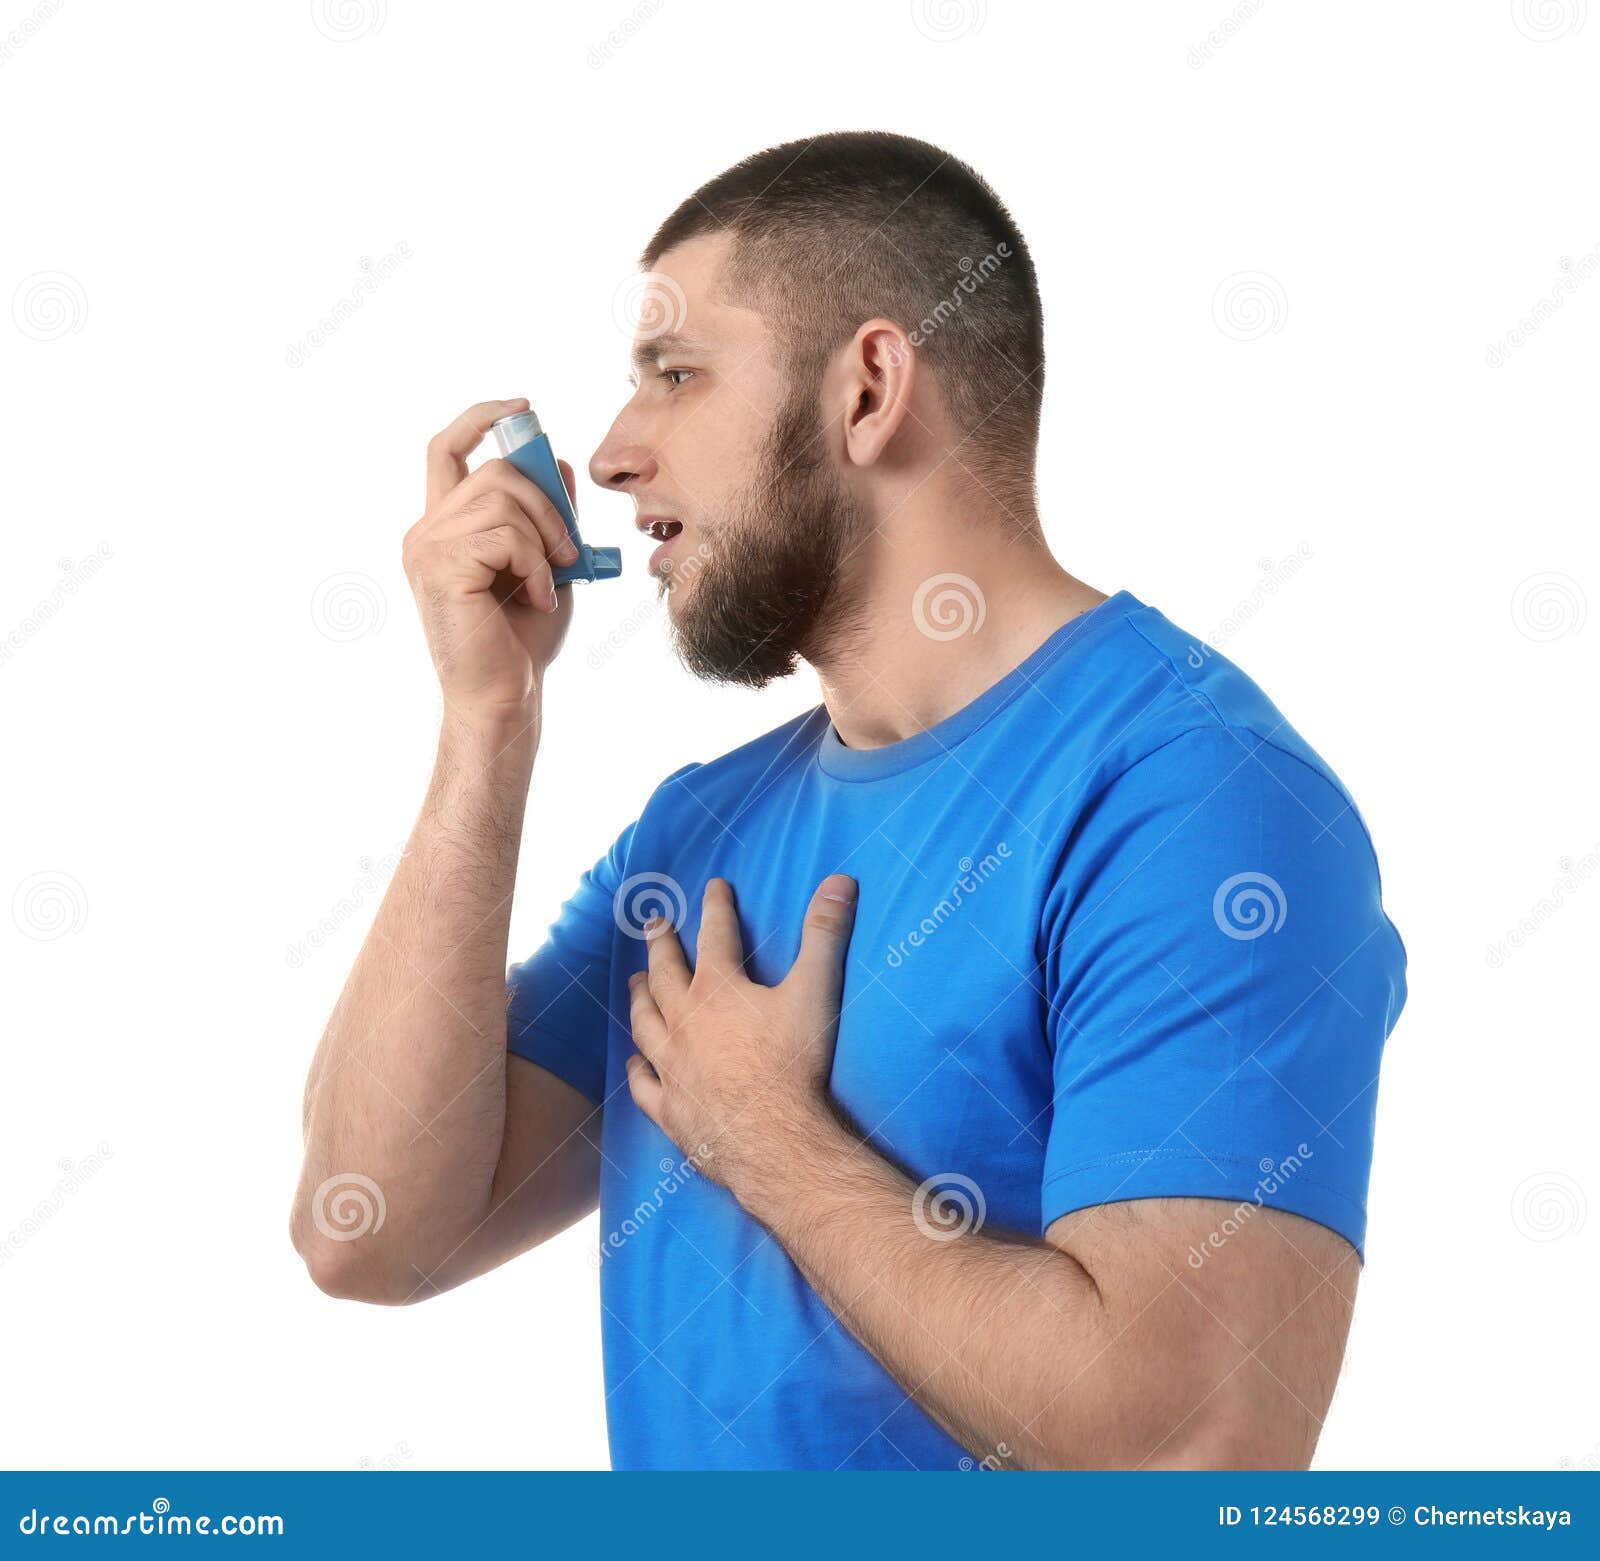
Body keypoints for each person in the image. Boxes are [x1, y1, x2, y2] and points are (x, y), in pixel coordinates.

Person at [291, 131, 1407, 1472]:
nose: (612, 453)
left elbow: (1188, 1446)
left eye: (674, 376)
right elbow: (367, 1229)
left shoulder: (1198, 804)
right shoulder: (695, 834)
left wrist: (769, 1137)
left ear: (870, 387)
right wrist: (486, 723)